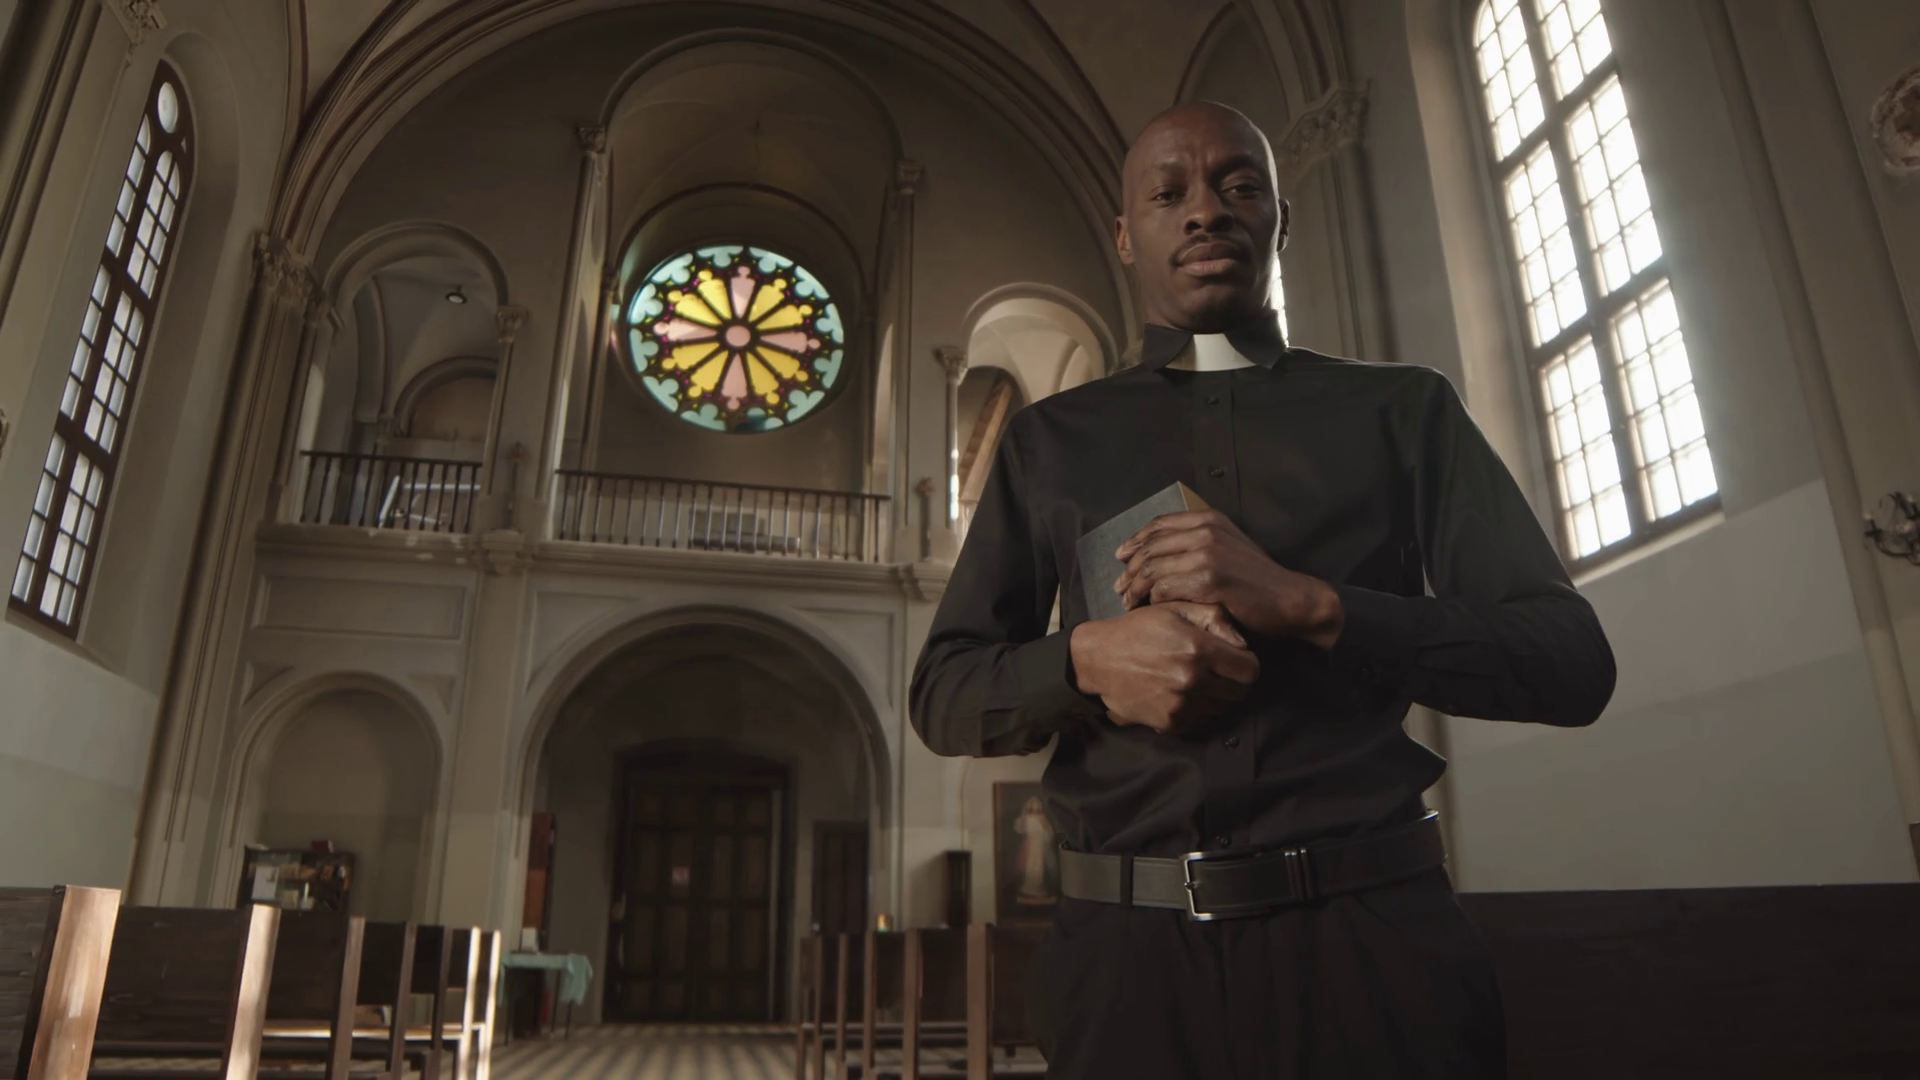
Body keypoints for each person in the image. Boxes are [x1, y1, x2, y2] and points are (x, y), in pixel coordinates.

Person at [909, 100, 1615, 1078]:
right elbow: (944, 692)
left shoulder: (1403, 412)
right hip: (1130, 965)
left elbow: (1571, 666)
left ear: (1283, 217)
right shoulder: (1049, 442)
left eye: (1240, 186)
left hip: (1374, 944)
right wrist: (1083, 657)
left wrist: (1312, 605)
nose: (1205, 211)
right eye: (1168, 194)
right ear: (1125, 234)